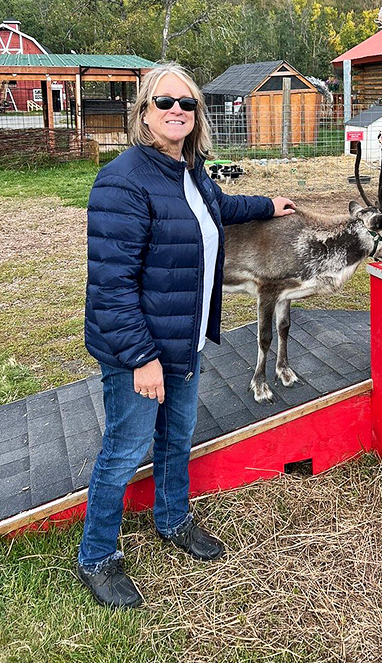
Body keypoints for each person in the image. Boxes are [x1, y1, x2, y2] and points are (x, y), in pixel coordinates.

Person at [77, 63, 296, 608]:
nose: (177, 110)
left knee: (177, 438)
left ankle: (173, 520)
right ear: (143, 113)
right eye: (164, 102)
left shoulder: (191, 172)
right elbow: (110, 285)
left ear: (198, 114)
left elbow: (217, 209)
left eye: (187, 103)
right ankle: (97, 557)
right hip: (143, 351)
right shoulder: (122, 181)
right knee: (124, 452)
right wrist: (140, 358)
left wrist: (269, 206)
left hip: (186, 341)